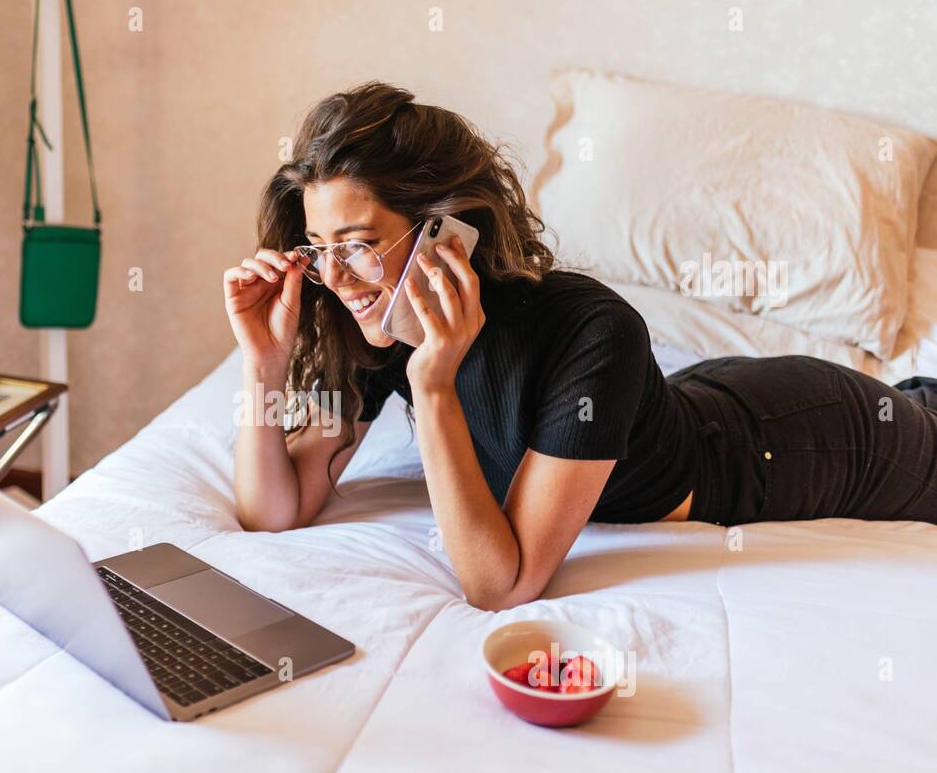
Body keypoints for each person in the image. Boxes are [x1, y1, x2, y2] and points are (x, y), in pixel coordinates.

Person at [224, 82, 937, 610]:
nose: (337, 278)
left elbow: (502, 583)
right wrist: (264, 364)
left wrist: (434, 387)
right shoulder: (382, 326)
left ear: (448, 234)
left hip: (804, 443)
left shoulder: (594, 331)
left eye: (358, 246)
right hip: (702, 398)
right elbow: (272, 510)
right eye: (319, 250)